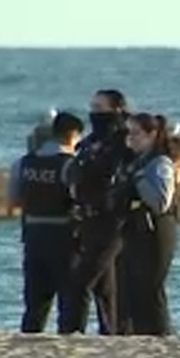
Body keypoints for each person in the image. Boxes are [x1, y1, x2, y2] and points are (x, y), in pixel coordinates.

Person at [58, 89, 134, 335]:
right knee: (105, 285)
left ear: (117, 110)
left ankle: (71, 332)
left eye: (101, 109)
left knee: (81, 280)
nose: (95, 114)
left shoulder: (124, 142)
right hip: (87, 219)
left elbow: (122, 178)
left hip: (112, 221)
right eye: (93, 108)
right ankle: (111, 332)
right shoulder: (91, 142)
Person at [7, 111, 85, 333]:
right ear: (73, 135)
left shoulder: (23, 163)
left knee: (35, 301)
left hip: (33, 233)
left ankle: (30, 339)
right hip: (65, 235)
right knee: (70, 299)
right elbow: (80, 198)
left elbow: (13, 200)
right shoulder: (70, 165)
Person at [117, 113, 180, 336]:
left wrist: (139, 179)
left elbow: (161, 202)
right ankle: (140, 333)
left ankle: (160, 333)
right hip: (136, 230)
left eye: (136, 134)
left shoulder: (159, 163)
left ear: (152, 135)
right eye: (128, 133)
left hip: (157, 230)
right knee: (133, 286)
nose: (130, 139)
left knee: (152, 287)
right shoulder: (135, 161)